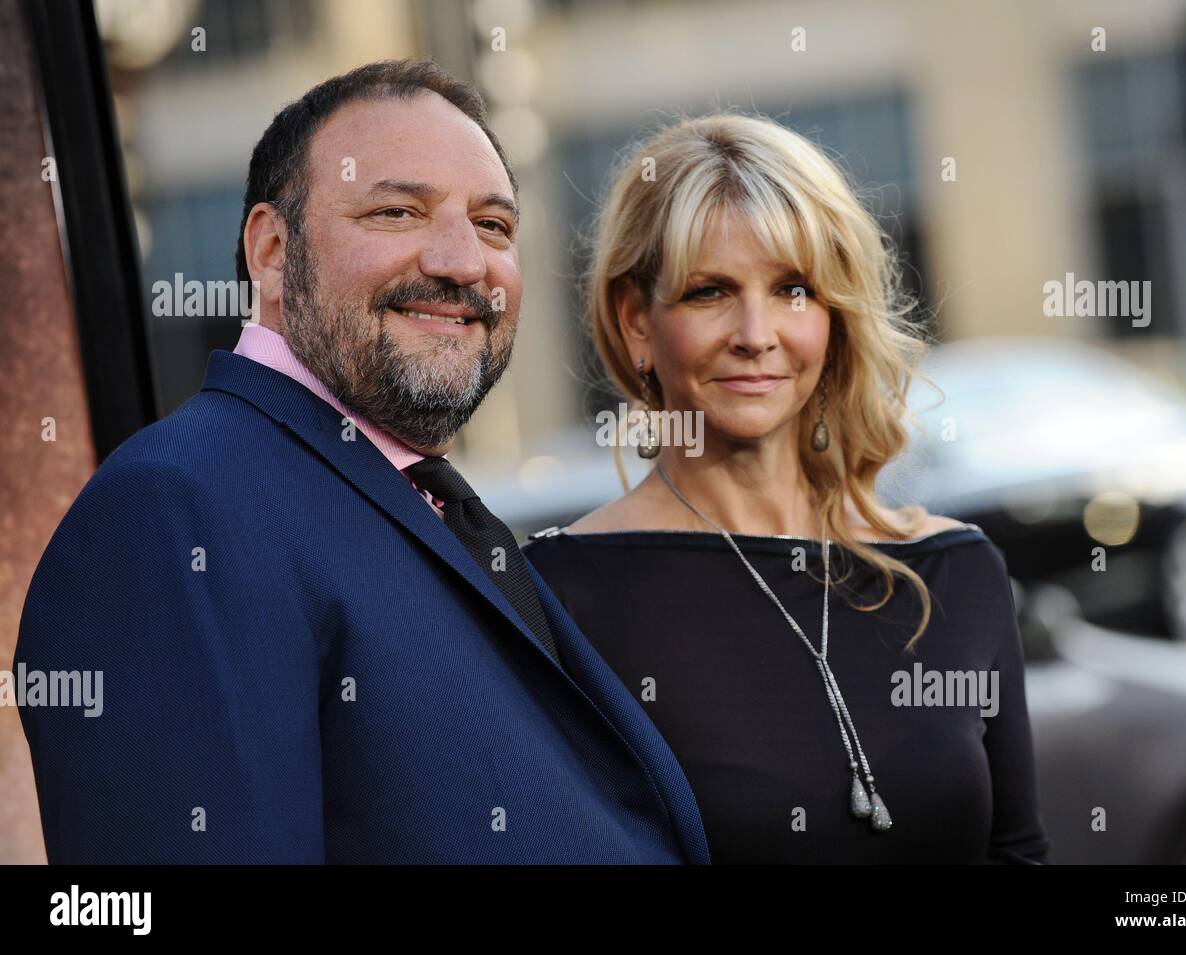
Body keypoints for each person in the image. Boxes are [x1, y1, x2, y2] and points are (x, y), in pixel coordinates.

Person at [15, 60, 708, 864]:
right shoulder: (172, 514)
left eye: (493, 225)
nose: (462, 262)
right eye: (396, 210)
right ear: (272, 252)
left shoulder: (422, 501)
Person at [523, 114, 1052, 864]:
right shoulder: (561, 598)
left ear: (835, 314)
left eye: (793, 289)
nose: (756, 332)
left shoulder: (958, 571)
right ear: (636, 320)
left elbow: (1018, 852)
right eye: (710, 291)